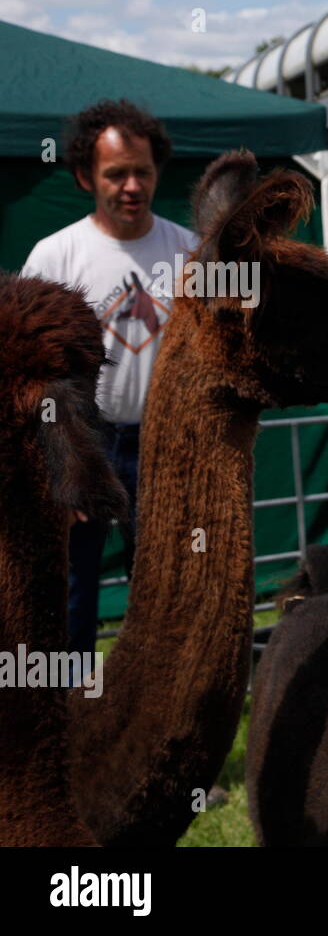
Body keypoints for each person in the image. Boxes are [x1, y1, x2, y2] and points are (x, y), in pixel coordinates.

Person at [21, 100, 198, 655]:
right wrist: (59, 462)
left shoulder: (190, 252)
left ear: (157, 171)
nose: (130, 185)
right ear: (84, 176)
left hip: (165, 447)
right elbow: (24, 373)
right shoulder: (54, 257)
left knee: (166, 589)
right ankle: (71, 719)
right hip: (82, 447)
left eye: (141, 171)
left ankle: (153, 718)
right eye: (115, 173)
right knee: (70, 592)